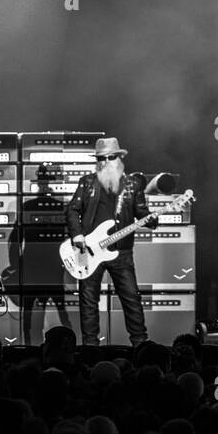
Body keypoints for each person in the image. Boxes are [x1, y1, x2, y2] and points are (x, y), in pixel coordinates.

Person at [65, 137, 150, 346]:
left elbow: (142, 212)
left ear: (119, 158)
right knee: (88, 301)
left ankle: (141, 346)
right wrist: (77, 235)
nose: (105, 162)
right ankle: (90, 348)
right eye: (101, 158)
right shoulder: (87, 182)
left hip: (121, 252)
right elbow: (73, 210)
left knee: (131, 299)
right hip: (88, 251)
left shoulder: (132, 185)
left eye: (110, 157)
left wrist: (153, 219)